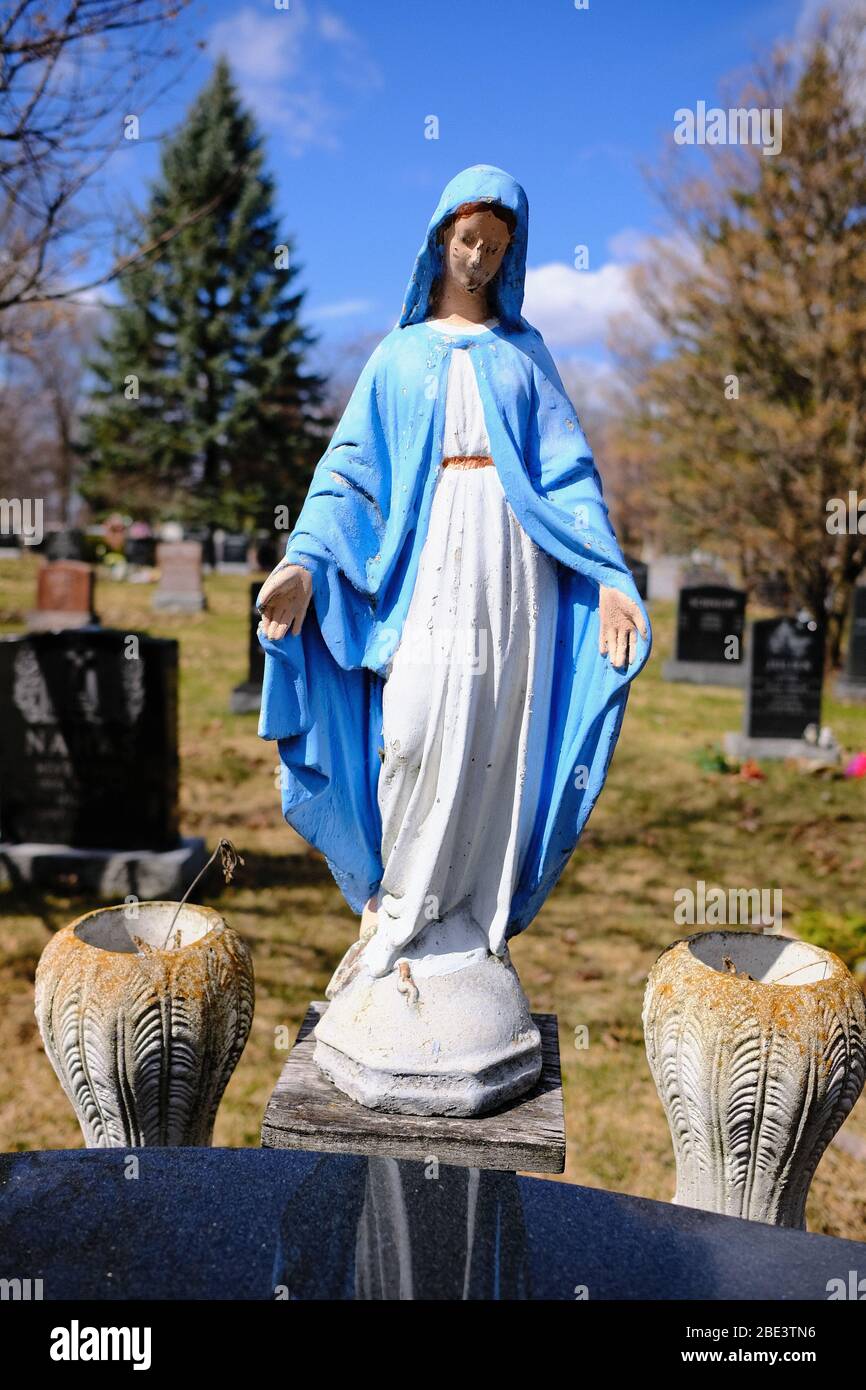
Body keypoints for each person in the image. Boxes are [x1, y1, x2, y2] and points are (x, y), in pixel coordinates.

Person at [257, 164, 650, 995]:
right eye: (467, 241)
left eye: (496, 248)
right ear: (440, 241)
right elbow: (349, 474)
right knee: (414, 726)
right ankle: (395, 905)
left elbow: (568, 474)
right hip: (428, 561)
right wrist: (303, 563)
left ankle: (472, 923)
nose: (478, 260)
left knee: (498, 735)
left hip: (514, 567)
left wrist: (610, 575)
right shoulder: (397, 355)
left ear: (511, 257)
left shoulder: (525, 353)